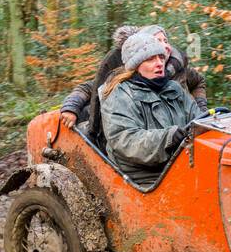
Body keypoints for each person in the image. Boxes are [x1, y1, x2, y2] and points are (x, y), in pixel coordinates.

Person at [100, 32, 206, 186]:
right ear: (136, 66)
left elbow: (197, 119)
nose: (159, 63)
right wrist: (169, 137)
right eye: (150, 59)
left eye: (161, 57)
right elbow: (126, 140)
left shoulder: (174, 88)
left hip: (180, 165)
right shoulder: (119, 95)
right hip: (144, 177)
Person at [60, 24, 206, 131]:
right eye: (156, 41)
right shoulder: (123, 78)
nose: (164, 46)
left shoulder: (180, 70)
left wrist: (201, 109)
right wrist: (71, 108)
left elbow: (198, 81)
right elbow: (89, 88)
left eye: (165, 41)